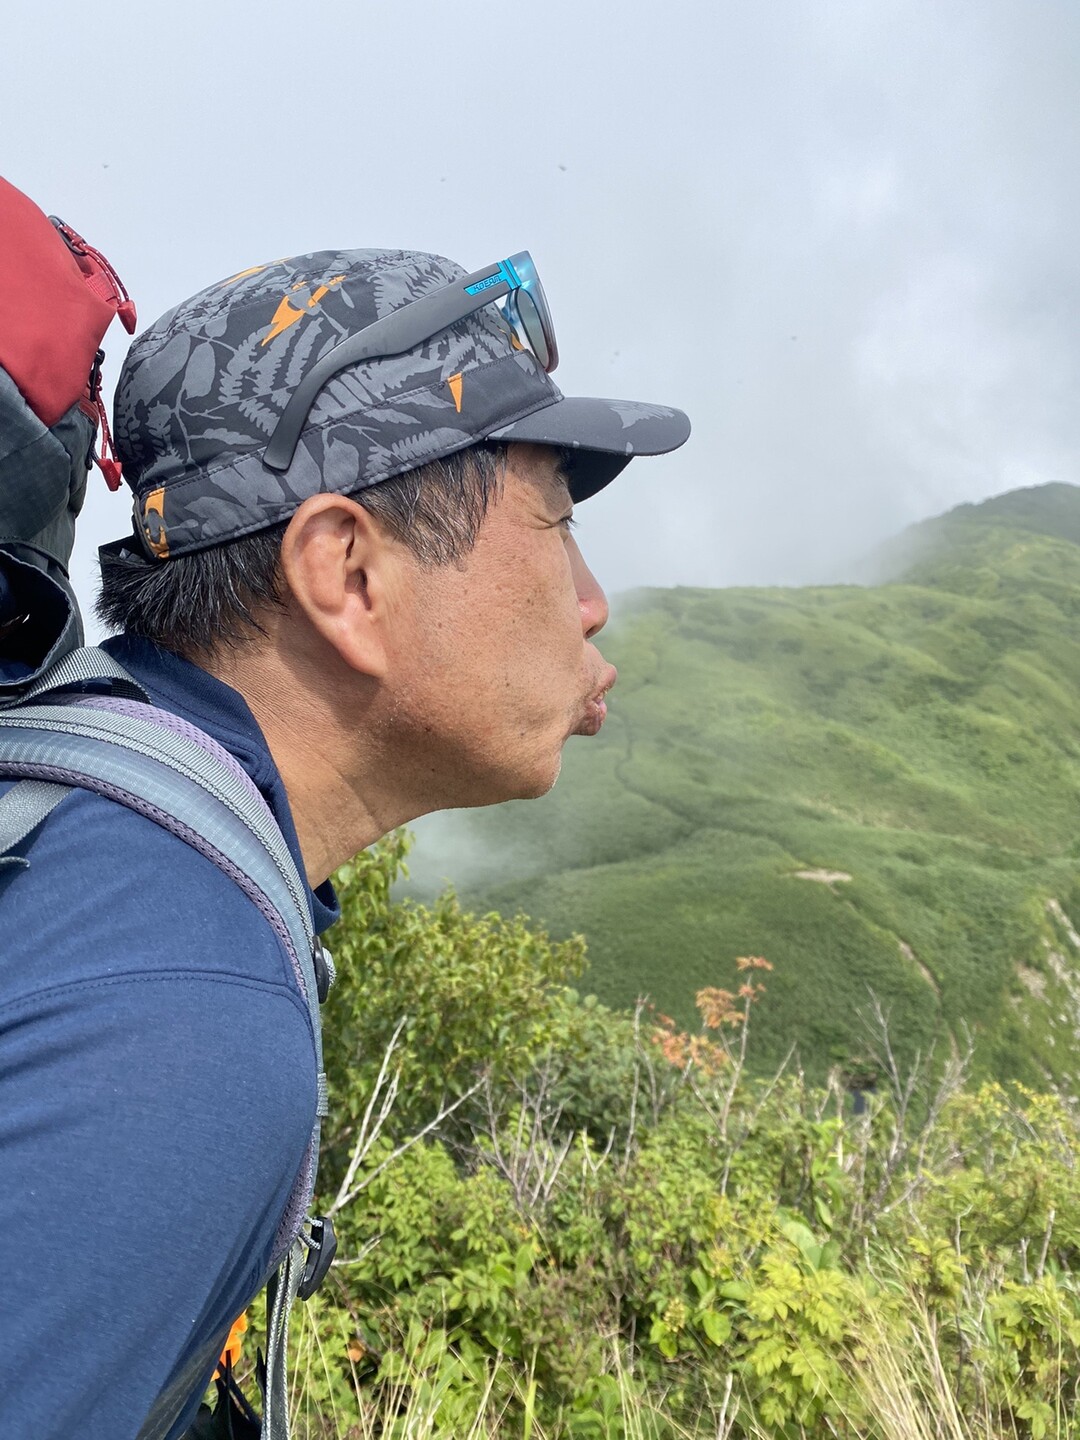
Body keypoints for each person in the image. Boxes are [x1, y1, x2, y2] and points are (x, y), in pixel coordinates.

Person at [0, 245, 689, 1439]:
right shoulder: (182, 1013)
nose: (592, 599)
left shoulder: (83, 790)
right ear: (347, 572)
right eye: (556, 521)